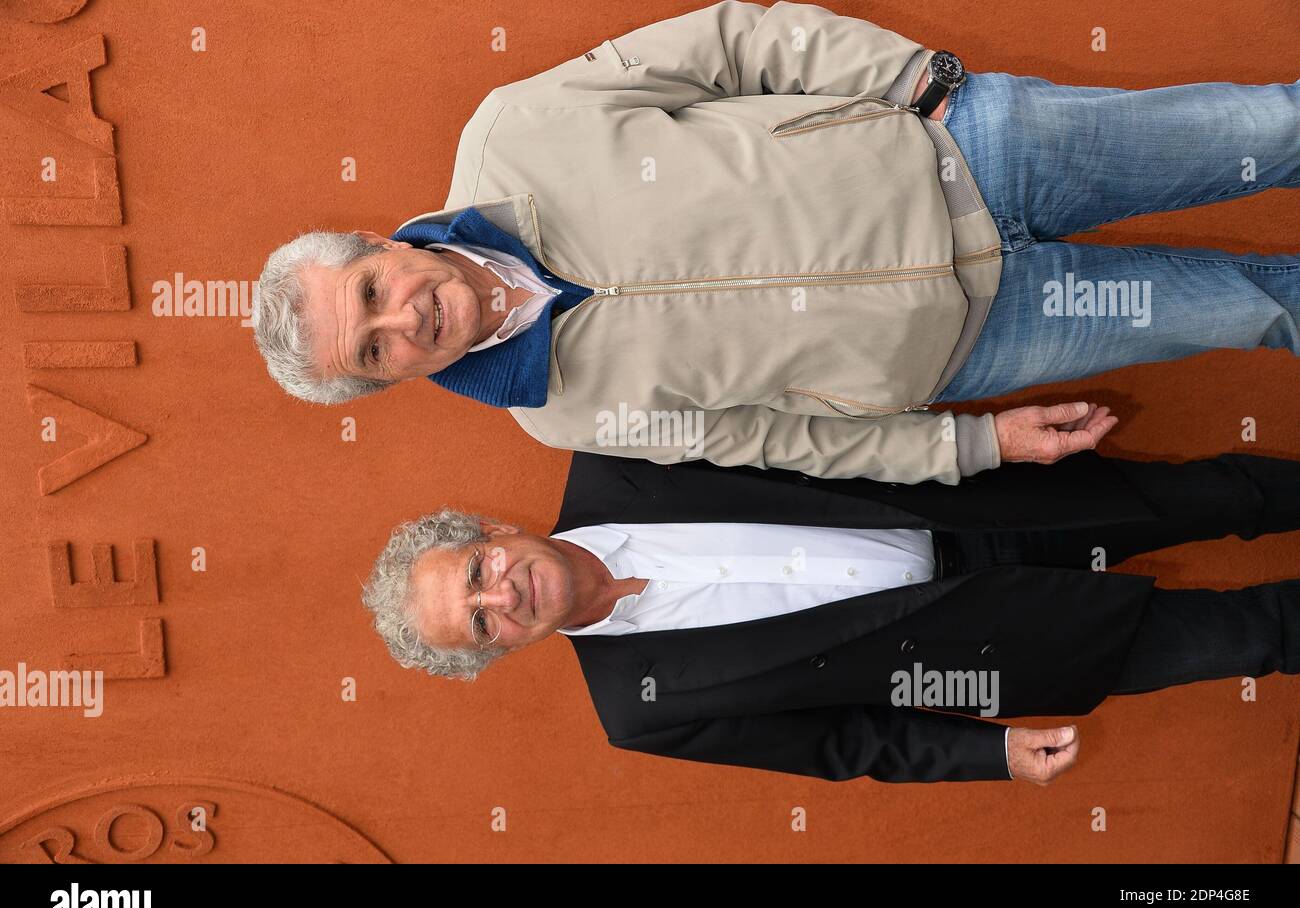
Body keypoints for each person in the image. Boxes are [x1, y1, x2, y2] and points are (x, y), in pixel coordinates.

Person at [252, 1, 1298, 484]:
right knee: (1256, 308)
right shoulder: (556, 413)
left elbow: (727, 44)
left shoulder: (509, 133)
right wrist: (973, 446)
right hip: (980, 340)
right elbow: (772, 441)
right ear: (390, 381)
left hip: (972, 153)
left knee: (1264, 130)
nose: (404, 318)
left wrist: (912, 84)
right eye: (376, 349)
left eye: (372, 290)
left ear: (377, 242)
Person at [362, 444, 1300, 783]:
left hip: (983, 500)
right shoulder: (637, 713)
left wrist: (982, 439)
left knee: (1228, 495)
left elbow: (811, 414)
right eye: (480, 621)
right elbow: (841, 744)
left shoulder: (617, 457)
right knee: (1255, 635)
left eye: (478, 569)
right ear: (499, 651)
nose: (501, 593)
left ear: (492, 530)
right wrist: (990, 754)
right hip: (992, 647)